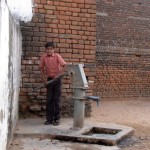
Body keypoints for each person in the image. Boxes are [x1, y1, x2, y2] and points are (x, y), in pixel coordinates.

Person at [39, 42, 67, 125]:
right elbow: (41, 69)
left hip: (57, 80)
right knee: (49, 100)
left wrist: (58, 76)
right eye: (47, 49)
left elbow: (65, 66)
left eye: (51, 49)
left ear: (53, 50)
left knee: (57, 100)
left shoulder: (57, 56)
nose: (49, 50)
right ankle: (49, 119)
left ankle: (56, 119)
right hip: (49, 80)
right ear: (46, 50)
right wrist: (44, 80)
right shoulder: (44, 57)